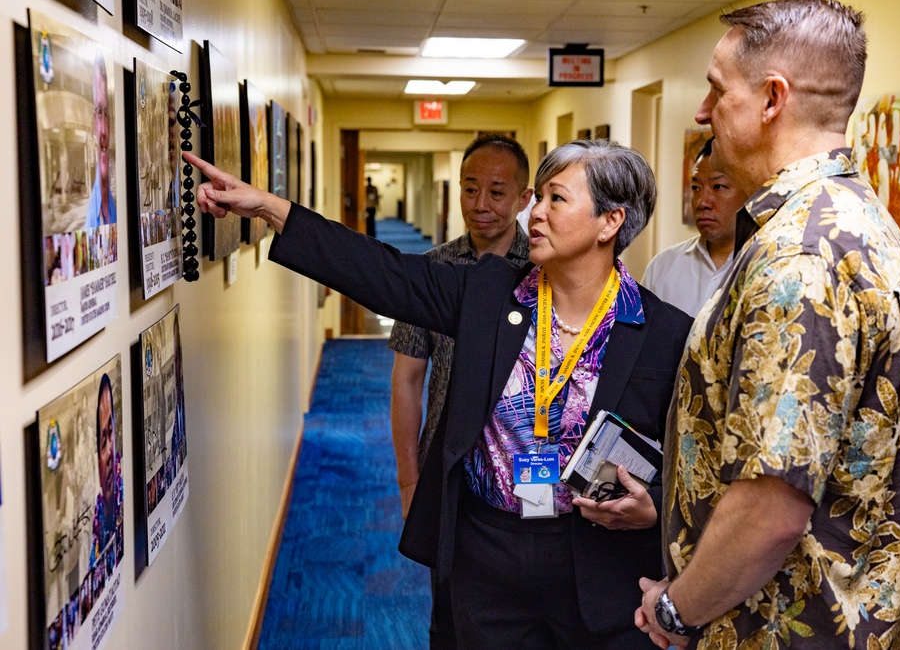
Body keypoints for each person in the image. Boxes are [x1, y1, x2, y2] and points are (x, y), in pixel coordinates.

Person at [186, 139, 693, 649]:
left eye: (556, 199)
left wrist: (653, 507)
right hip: (488, 550)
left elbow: (695, 464)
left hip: (598, 563)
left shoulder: (666, 334)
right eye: (537, 197)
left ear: (610, 222)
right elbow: (382, 272)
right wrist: (270, 208)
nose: (535, 212)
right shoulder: (487, 293)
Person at [634, 0, 900, 650]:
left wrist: (676, 609)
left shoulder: (801, 257)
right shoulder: (858, 218)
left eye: (717, 90)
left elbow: (770, 506)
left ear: (772, 98)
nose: (703, 111)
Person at [388, 134, 532, 649]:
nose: (481, 204)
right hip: (448, 468)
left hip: (526, 470)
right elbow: (407, 380)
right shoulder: (434, 269)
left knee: (522, 611)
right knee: (449, 611)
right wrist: (409, 479)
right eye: (471, 189)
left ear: (524, 198)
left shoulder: (545, 270)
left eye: (497, 192)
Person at [641, 137, 746, 317]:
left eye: (718, 186)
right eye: (696, 188)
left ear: (749, 191)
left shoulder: (765, 265)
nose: (702, 202)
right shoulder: (663, 266)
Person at [91, 373, 123, 568]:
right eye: (104, 442)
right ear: (98, 462)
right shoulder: (96, 523)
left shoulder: (124, 489)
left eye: (111, 435)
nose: (110, 450)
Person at [85, 54, 115, 229]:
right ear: (92, 122)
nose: (103, 131)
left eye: (106, 113)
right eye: (98, 113)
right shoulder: (89, 223)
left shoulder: (114, 209)